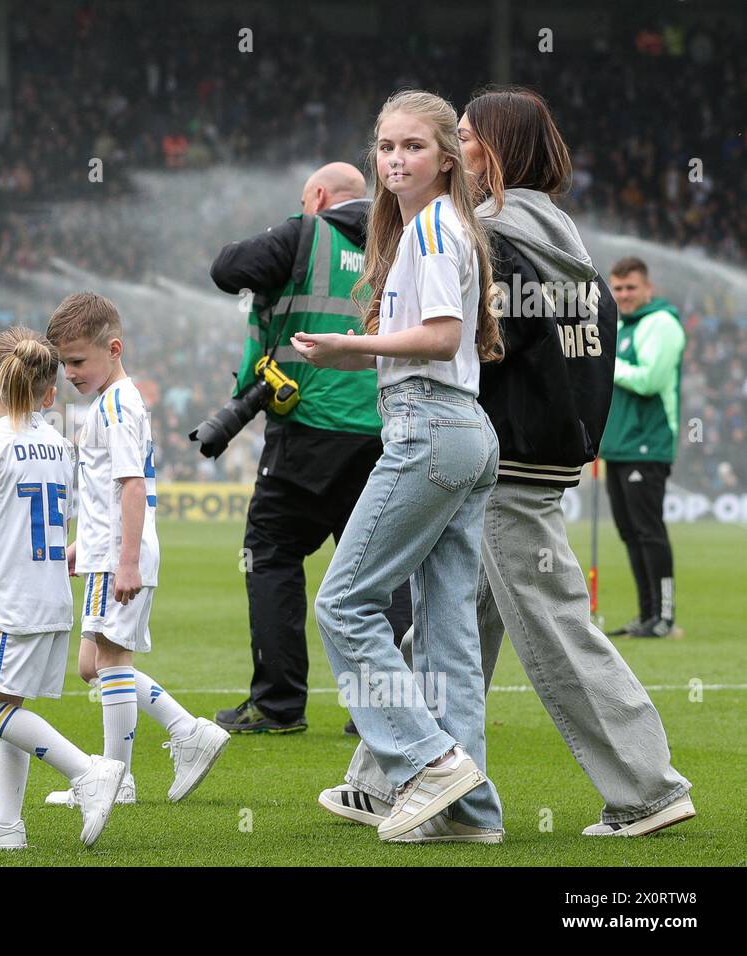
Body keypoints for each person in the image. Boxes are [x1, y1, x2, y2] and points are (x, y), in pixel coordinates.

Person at [322, 88, 694, 840]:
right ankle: (380, 779)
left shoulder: (485, 232)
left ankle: (646, 787)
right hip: (541, 449)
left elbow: (464, 343)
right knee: (451, 625)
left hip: (494, 449)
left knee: (550, 626)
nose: (457, 150)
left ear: (493, 148)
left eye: (464, 136)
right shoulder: (565, 237)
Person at [291, 90, 504, 843]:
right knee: (447, 636)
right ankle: (470, 815)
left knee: (343, 602)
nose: (393, 161)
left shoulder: (435, 228)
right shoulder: (433, 225)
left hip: (431, 428)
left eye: (412, 147)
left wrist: (351, 347)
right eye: (385, 147)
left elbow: (445, 337)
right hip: (462, 433)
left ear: (448, 157)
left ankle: (425, 762)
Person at [208, 162, 413, 737]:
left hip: (306, 430)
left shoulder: (305, 233)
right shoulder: (400, 241)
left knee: (271, 554)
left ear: (318, 196)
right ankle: (380, 707)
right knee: (382, 571)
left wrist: (296, 224)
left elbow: (228, 268)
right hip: (383, 432)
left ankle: (278, 704)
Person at [0, 327, 125, 849]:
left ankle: (87, 771)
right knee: (8, 702)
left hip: (12, 602)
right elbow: (58, 520)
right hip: (51, 598)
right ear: (48, 393)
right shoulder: (61, 445)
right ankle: (6, 822)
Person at [42, 292, 230, 808]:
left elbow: (131, 486)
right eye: (64, 363)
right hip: (106, 551)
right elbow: (108, 490)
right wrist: (86, 542)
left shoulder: (120, 404)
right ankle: (186, 731)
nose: (70, 373)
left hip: (120, 557)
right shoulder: (106, 402)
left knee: (112, 663)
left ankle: (116, 780)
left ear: (114, 348)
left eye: (78, 361)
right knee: (93, 666)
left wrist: (125, 559)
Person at [601, 257, 687, 639]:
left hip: (648, 444)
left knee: (648, 530)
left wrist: (605, 364)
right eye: (617, 288)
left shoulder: (662, 323)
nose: (623, 295)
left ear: (647, 288)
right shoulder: (619, 325)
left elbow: (650, 380)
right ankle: (646, 615)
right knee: (630, 532)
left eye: (630, 287)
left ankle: (665, 618)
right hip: (618, 445)